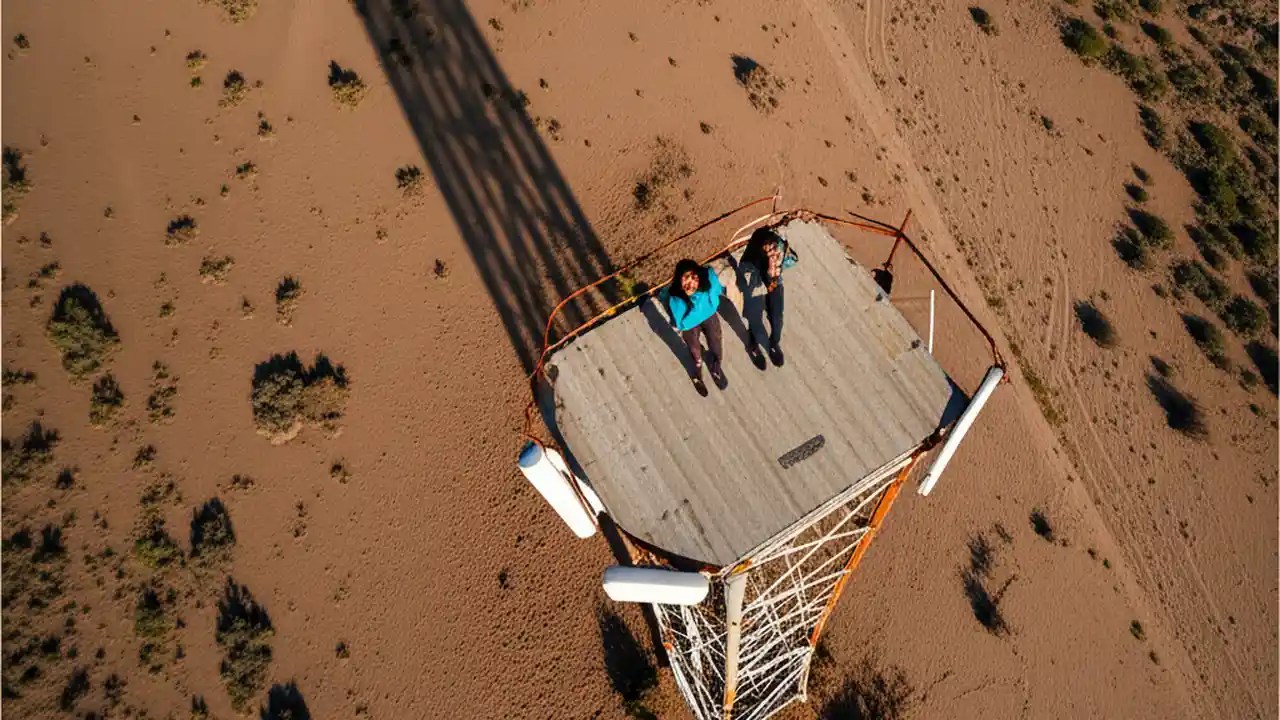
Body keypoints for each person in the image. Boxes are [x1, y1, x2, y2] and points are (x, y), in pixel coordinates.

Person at [663, 258, 728, 395]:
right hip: (690, 325)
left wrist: (708, 301)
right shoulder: (676, 298)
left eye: (694, 276)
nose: (691, 282)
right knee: (696, 353)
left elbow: (717, 292)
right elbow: (682, 324)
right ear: (679, 281)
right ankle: (697, 376)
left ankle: (716, 368)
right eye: (686, 278)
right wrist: (695, 307)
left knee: (716, 344)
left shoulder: (708, 278)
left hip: (709, 315)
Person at [740, 227, 790, 367]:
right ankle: (753, 342)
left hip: (773, 279)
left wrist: (775, 269)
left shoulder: (780, 247)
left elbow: (776, 275)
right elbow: (756, 270)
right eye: (767, 250)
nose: (771, 252)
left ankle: (774, 342)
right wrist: (769, 269)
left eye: (773, 249)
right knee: (754, 314)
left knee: (777, 316)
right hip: (754, 273)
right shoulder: (756, 254)